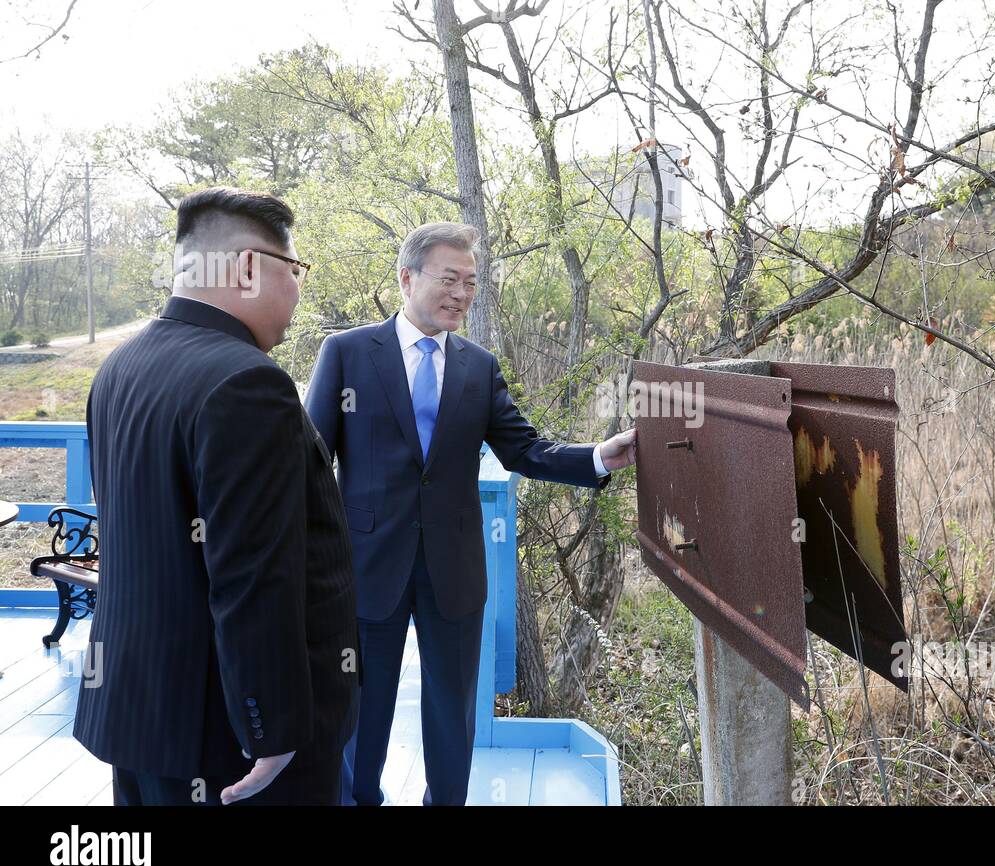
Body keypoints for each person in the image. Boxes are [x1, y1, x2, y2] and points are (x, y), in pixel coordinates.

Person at [305, 222, 636, 806]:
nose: (461, 294)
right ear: (407, 278)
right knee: (361, 706)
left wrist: (596, 458)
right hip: (366, 567)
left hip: (453, 568)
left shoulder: (478, 367)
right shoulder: (349, 353)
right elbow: (311, 462)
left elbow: (523, 449)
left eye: (471, 283)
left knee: (452, 711)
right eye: (449, 279)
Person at [74, 187, 360, 806]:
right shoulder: (248, 381)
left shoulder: (121, 368)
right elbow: (252, 575)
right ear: (250, 267)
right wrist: (273, 728)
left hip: (140, 715)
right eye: (296, 270)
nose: (297, 290)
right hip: (229, 737)